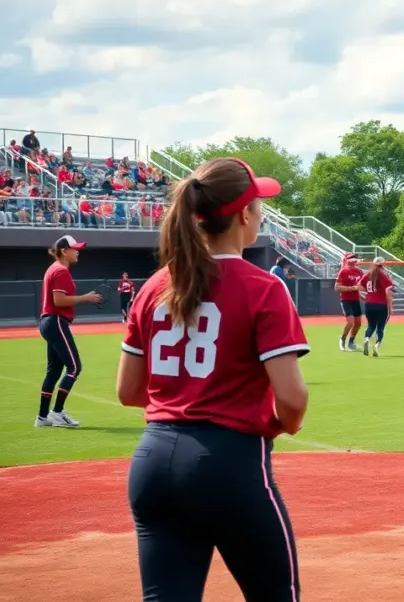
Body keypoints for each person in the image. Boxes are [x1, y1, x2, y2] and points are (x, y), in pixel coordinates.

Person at [115, 157, 309, 601]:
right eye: (259, 204)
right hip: (228, 464)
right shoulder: (263, 286)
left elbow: (128, 392)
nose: (261, 213)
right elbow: (292, 398)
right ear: (244, 214)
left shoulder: (154, 286)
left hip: (152, 462)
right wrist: (284, 424)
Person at [36, 235, 103, 428]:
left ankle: (42, 417)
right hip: (56, 321)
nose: (78, 251)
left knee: (54, 372)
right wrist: (86, 298)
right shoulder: (61, 271)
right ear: (65, 251)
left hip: (49, 322)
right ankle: (56, 412)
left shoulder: (54, 269)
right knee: (74, 367)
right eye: (75, 248)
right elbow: (59, 301)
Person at [362, 257, 394, 357]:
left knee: (371, 325)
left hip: (369, 304)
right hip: (381, 304)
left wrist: (368, 295)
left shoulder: (367, 274)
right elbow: (388, 291)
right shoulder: (383, 275)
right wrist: (391, 307)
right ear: (382, 265)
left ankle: (367, 338)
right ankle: (376, 345)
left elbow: (360, 286)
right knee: (380, 328)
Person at [335, 252, 365, 351]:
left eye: (354, 258)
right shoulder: (343, 271)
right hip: (346, 299)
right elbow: (337, 287)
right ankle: (342, 339)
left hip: (355, 299)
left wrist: (363, 296)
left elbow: (360, 286)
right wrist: (352, 288)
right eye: (351, 258)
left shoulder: (359, 272)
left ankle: (351, 342)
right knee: (350, 322)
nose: (354, 259)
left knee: (358, 323)